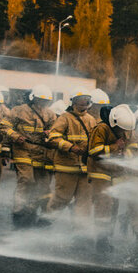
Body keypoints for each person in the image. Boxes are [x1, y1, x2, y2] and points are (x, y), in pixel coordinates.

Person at [87, 104, 136, 251]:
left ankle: (107, 236)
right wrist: (114, 147)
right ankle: (100, 239)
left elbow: (131, 148)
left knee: (114, 206)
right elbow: (94, 150)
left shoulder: (126, 130)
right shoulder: (101, 129)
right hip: (99, 171)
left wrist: (126, 154)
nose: (124, 132)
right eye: (122, 129)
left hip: (115, 173)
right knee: (104, 204)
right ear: (114, 123)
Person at [8, 84, 56, 227]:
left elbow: (55, 132)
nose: (43, 103)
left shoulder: (51, 114)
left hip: (41, 152)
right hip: (23, 149)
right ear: (32, 98)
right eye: (40, 100)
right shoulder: (18, 111)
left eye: (45, 101)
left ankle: (34, 209)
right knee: (26, 179)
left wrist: (51, 134)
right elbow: (4, 126)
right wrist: (15, 136)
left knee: (42, 184)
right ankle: (18, 209)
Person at [46, 88, 98, 217]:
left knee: (84, 202)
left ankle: (80, 229)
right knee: (62, 198)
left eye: (87, 100)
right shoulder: (65, 118)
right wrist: (70, 147)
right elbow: (53, 138)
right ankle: (46, 221)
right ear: (73, 102)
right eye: (81, 100)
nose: (84, 102)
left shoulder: (91, 119)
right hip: (66, 167)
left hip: (85, 169)